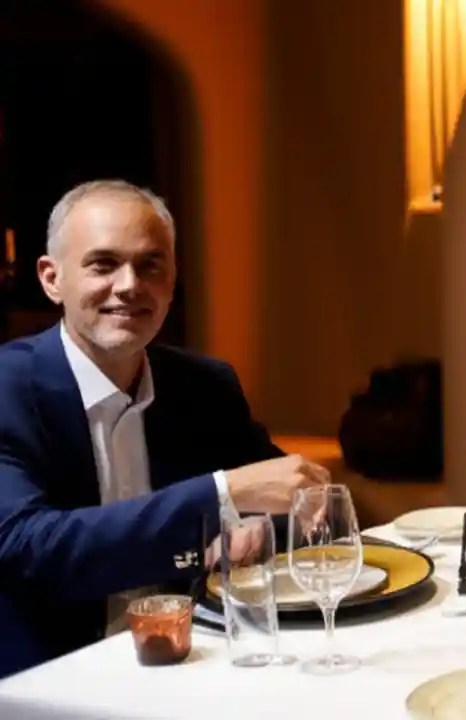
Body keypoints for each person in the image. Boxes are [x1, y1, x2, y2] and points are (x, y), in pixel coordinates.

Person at [0, 180, 329, 678]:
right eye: (103, 264)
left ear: (172, 281)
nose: (130, 285)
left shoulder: (205, 386)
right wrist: (224, 492)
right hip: (46, 680)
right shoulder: (5, 388)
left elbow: (289, 503)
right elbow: (32, 549)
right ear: (52, 279)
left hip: (199, 663)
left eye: (150, 265)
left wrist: (256, 528)